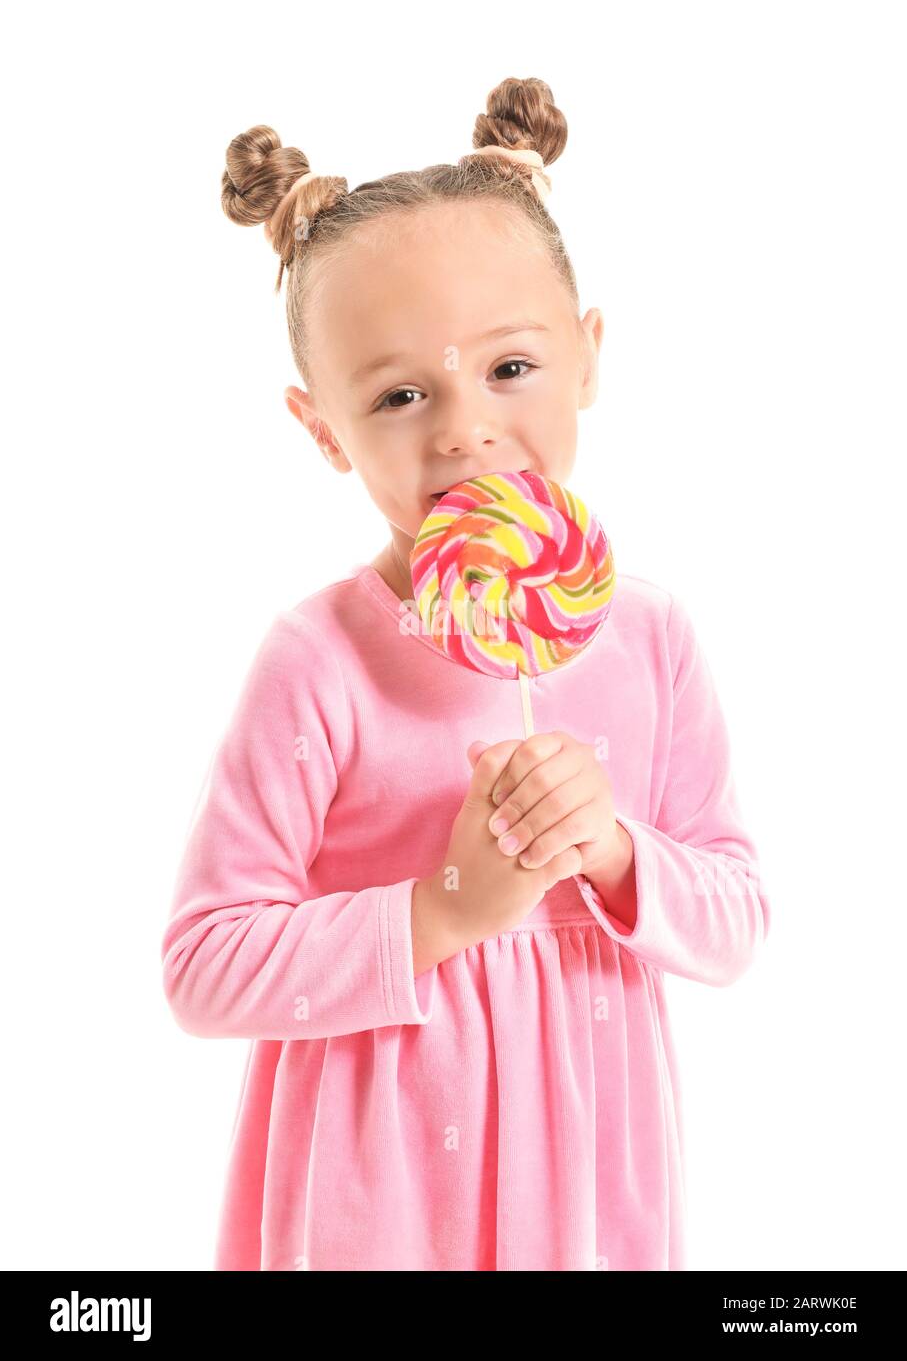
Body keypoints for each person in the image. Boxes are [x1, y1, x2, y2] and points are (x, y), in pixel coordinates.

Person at [161, 75, 770, 1271]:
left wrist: (614, 854)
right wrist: (444, 908)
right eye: (397, 394)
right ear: (322, 425)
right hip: (374, 1188)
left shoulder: (646, 638)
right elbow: (203, 964)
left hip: (595, 1184)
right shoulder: (318, 660)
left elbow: (739, 920)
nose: (462, 428)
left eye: (509, 369)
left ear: (587, 356)